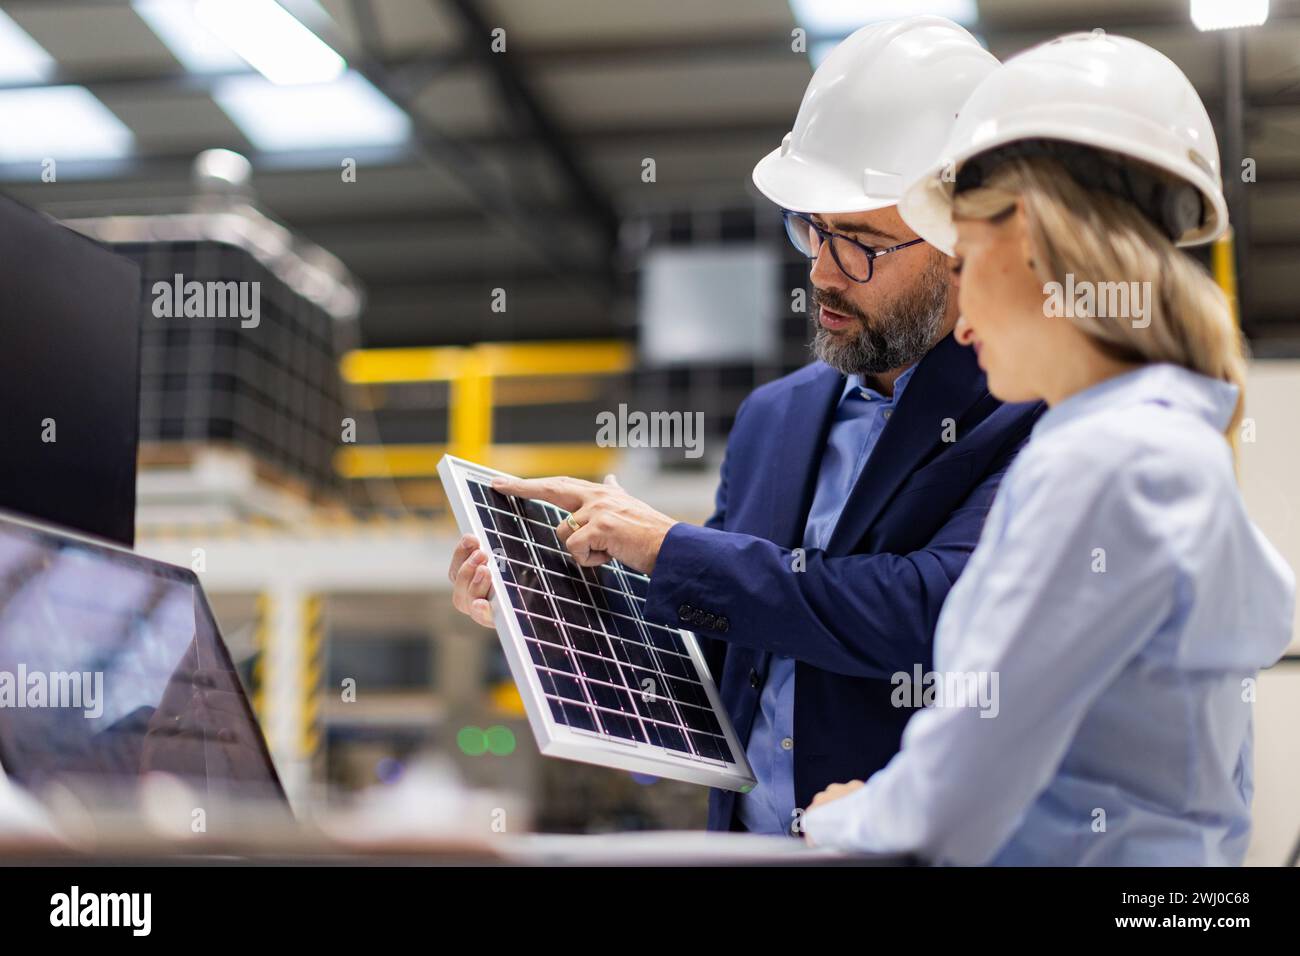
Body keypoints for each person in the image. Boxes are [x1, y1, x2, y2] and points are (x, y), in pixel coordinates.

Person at [448, 16, 1043, 835]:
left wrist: (667, 547)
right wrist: (549, 610)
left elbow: (932, 610)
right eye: (812, 229)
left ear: (959, 242)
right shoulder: (774, 420)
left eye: (862, 243)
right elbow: (726, 643)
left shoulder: (1027, 410)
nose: (824, 273)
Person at [800, 32, 1295, 865]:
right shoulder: (1170, 441)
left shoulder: (1104, 463)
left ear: (1027, 237)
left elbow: (949, 804)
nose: (959, 319)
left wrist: (848, 814)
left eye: (967, 259)